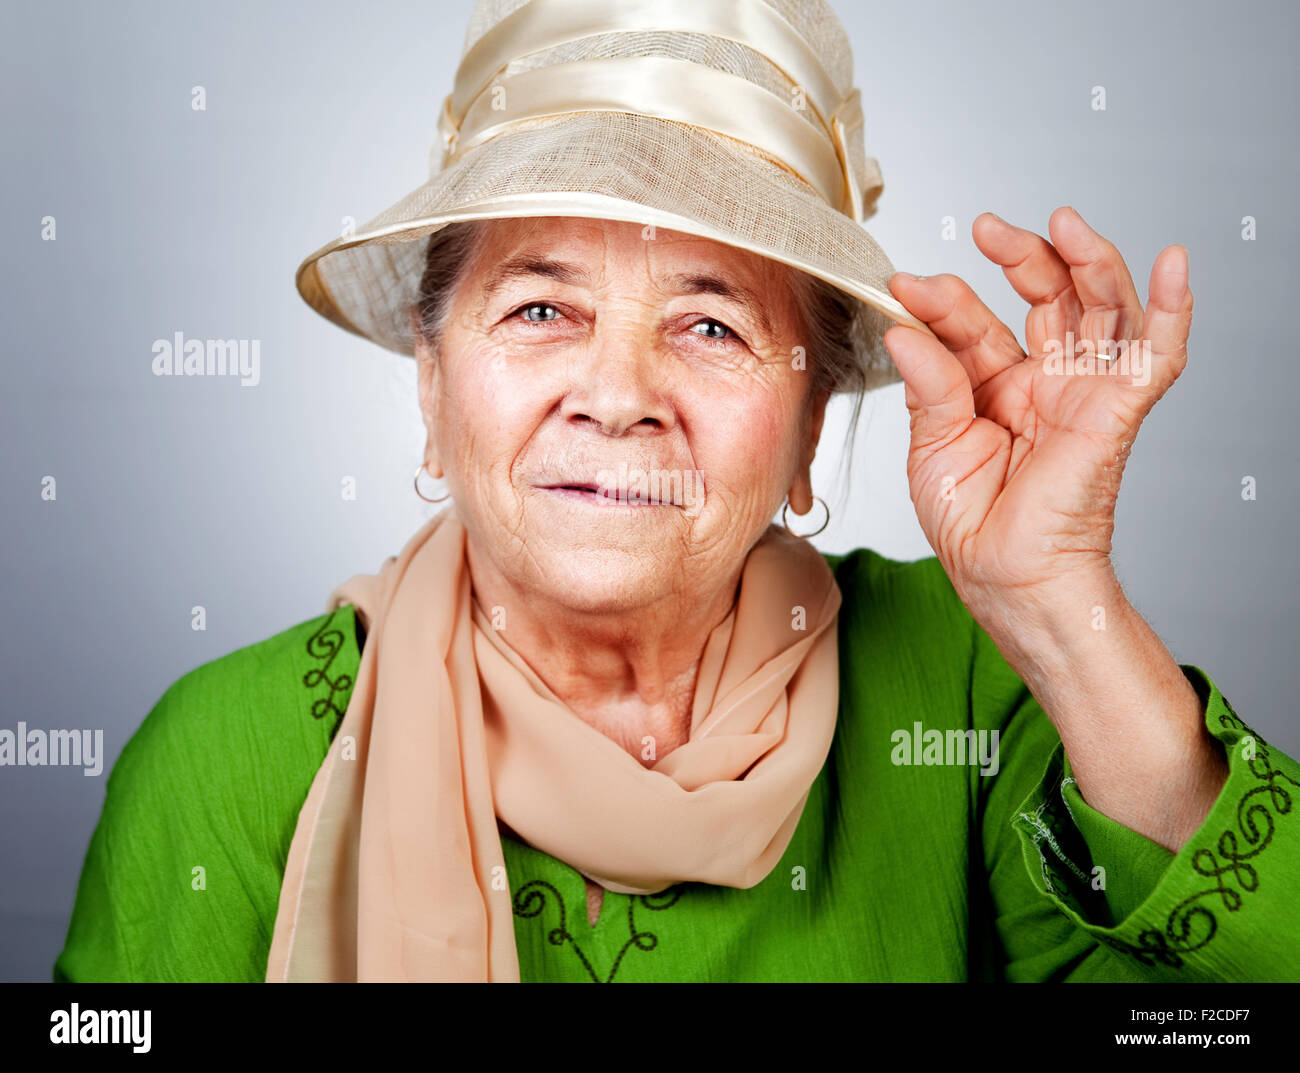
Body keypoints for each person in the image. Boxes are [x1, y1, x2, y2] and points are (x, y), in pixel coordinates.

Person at [54, 0, 1300, 982]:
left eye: (710, 326)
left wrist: (1058, 602)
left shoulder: (969, 681)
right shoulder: (228, 751)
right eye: (541, 309)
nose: (617, 393)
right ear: (431, 388)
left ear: (812, 425)